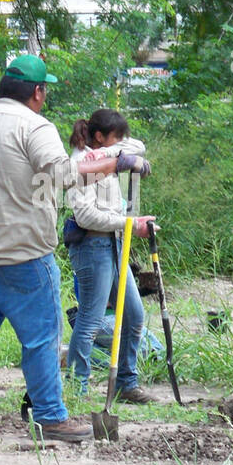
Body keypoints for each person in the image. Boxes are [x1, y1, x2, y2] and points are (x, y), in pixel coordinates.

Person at [0, 55, 150, 445]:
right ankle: (50, 416)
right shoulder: (35, 127)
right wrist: (115, 163)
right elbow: (63, 174)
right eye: (44, 90)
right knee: (41, 338)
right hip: (25, 258)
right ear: (37, 92)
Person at [64, 109, 156, 402]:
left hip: (116, 245)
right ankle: (76, 387)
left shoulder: (107, 159)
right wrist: (131, 224)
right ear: (99, 136)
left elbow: (136, 146)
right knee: (90, 321)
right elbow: (87, 216)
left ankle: (126, 384)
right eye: (116, 138)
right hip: (92, 247)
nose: (123, 145)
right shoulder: (80, 164)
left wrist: (122, 157)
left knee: (134, 315)